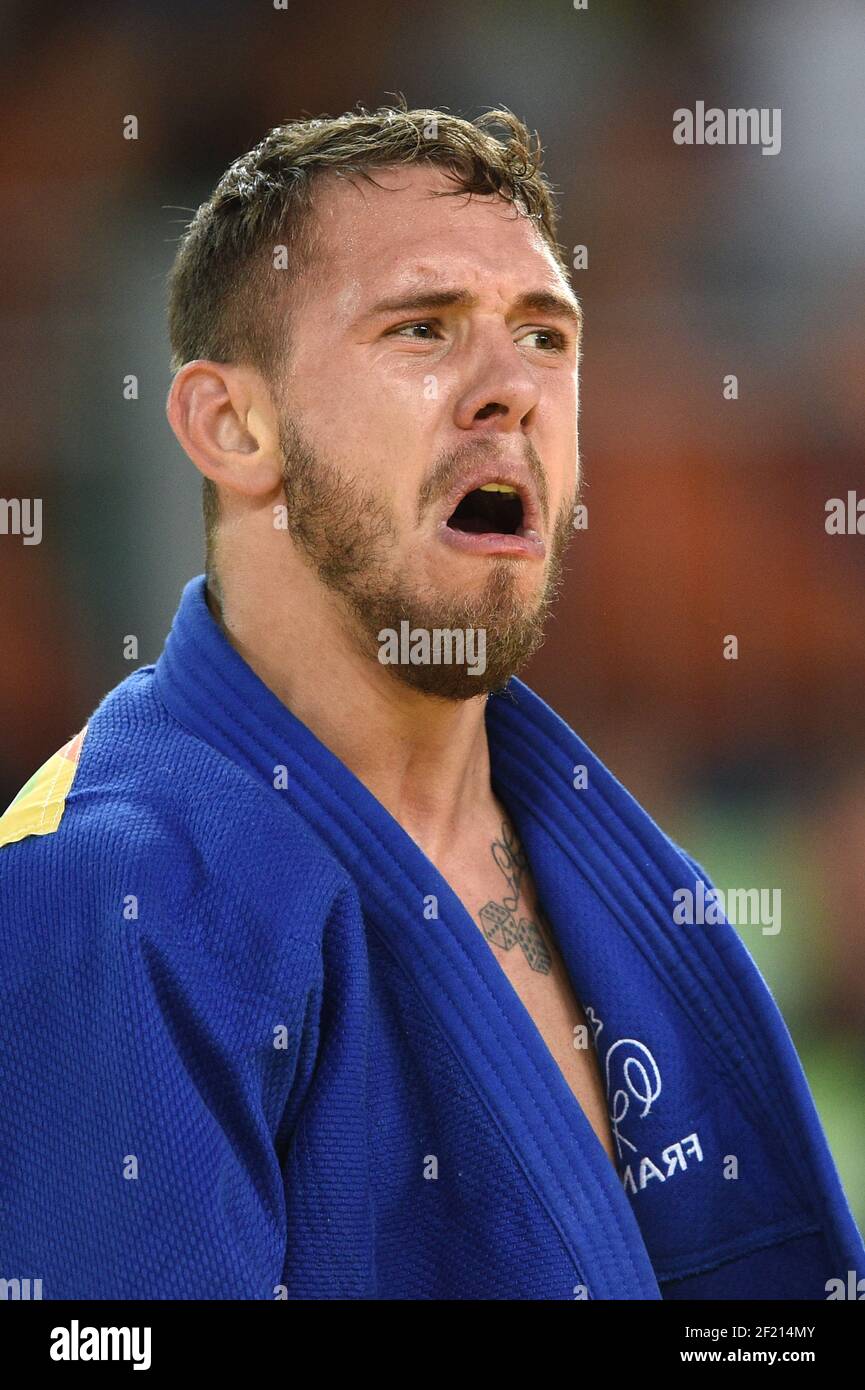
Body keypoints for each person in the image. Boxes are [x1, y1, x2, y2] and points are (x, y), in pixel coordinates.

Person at [1, 102, 862, 1300]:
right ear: (230, 423)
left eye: (545, 337)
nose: (508, 388)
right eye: (422, 328)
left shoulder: (629, 871)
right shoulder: (110, 893)